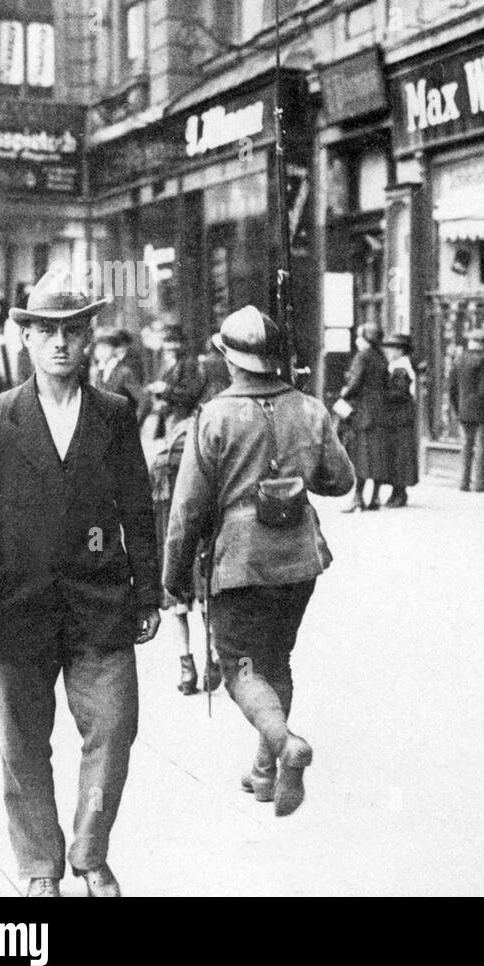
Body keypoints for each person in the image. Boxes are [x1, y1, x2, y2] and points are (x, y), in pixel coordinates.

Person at [0, 273, 161, 898]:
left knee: (113, 732)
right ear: (28, 338)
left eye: (72, 331)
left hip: (101, 607)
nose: (61, 344)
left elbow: (137, 511)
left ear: (89, 336)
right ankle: (41, 867)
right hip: (19, 608)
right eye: (48, 332)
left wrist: (147, 593)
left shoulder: (116, 415)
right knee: (22, 745)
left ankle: (91, 852)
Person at [163, 306, 356, 816]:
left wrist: (173, 577)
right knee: (277, 661)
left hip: (240, 563)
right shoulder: (310, 408)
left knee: (241, 669)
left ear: (229, 361)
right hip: (298, 560)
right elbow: (340, 481)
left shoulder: (213, 416)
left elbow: (187, 509)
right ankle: (266, 772)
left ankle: (285, 743)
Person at [150, 401, 220, 696]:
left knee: (178, 606)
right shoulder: (201, 452)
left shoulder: (161, 458)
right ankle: (211, 662)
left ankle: (186, 667)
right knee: (206, 604)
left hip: (171, 540)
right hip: (199, 538)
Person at [338, 321, 389, 512]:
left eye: (360, 337)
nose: (357, 340)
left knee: (360, 456)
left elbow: (356, 382)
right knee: (377, 456)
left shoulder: (362, 357)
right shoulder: (381, 357)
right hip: (380, 412)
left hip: (362, 412)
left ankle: (358, 498)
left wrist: (345, 392)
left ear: (366, 339)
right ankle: (375, 497)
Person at [449, 327, 484, 492]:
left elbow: (452, 387)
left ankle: (464, 481)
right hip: (479, 410)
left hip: (463, 410)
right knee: (481, 445)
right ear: (481, 344)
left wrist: (457, 408)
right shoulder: (481, 361)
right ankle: (480, 482)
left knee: (466, 446)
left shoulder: (459, 359)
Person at [380, 332, 418, 508]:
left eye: (392, 348)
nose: (388, 352)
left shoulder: (401, 368)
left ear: (400, 350)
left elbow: (400, 393)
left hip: (400, 416)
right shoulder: (397, 366)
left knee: (401, 455)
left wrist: (381, 394)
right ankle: (397, 492)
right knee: (397, 455)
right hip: (399, 416)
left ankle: (399, 493)